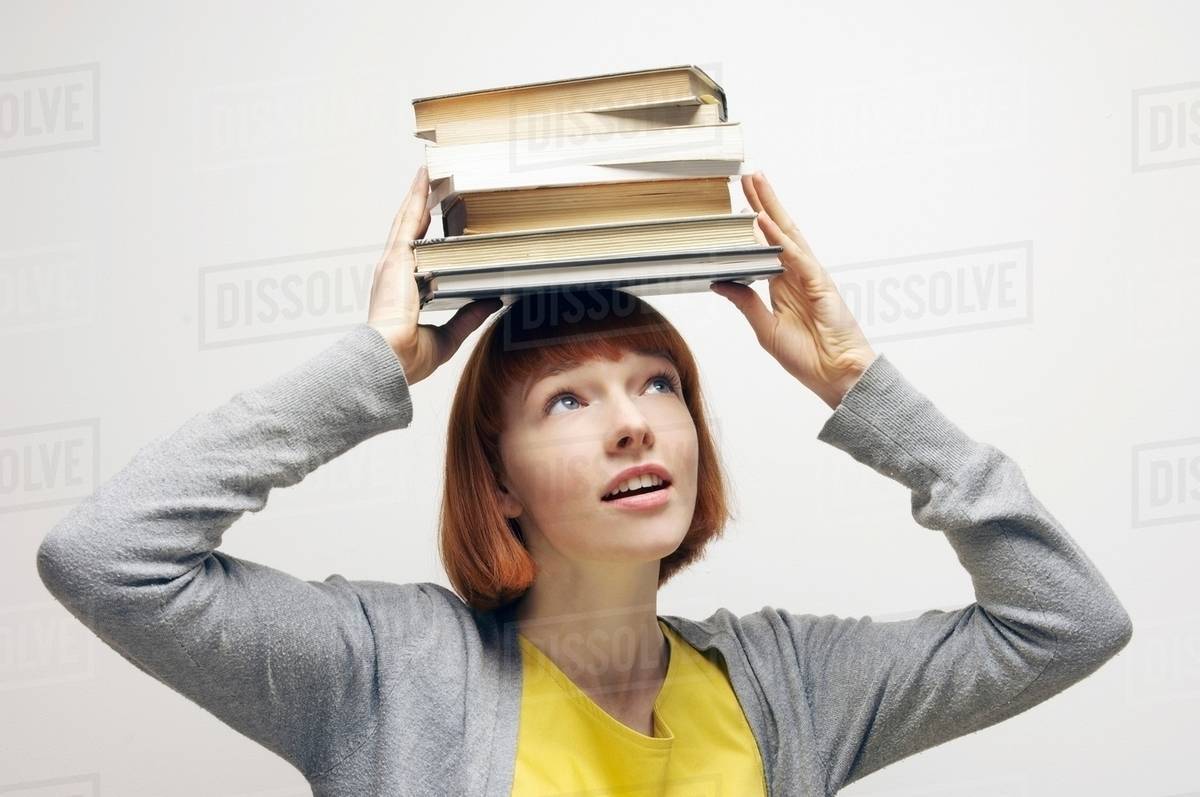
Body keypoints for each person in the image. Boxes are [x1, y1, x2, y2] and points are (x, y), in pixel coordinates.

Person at [36, 166, 1133, 796]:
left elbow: (1067, 623)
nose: (632, 422)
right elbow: (107, 556)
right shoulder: (383, 672)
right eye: (568, 399)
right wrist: (373, 368)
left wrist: (859, 384)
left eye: (659, 383)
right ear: (499, 480)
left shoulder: (791, 684)